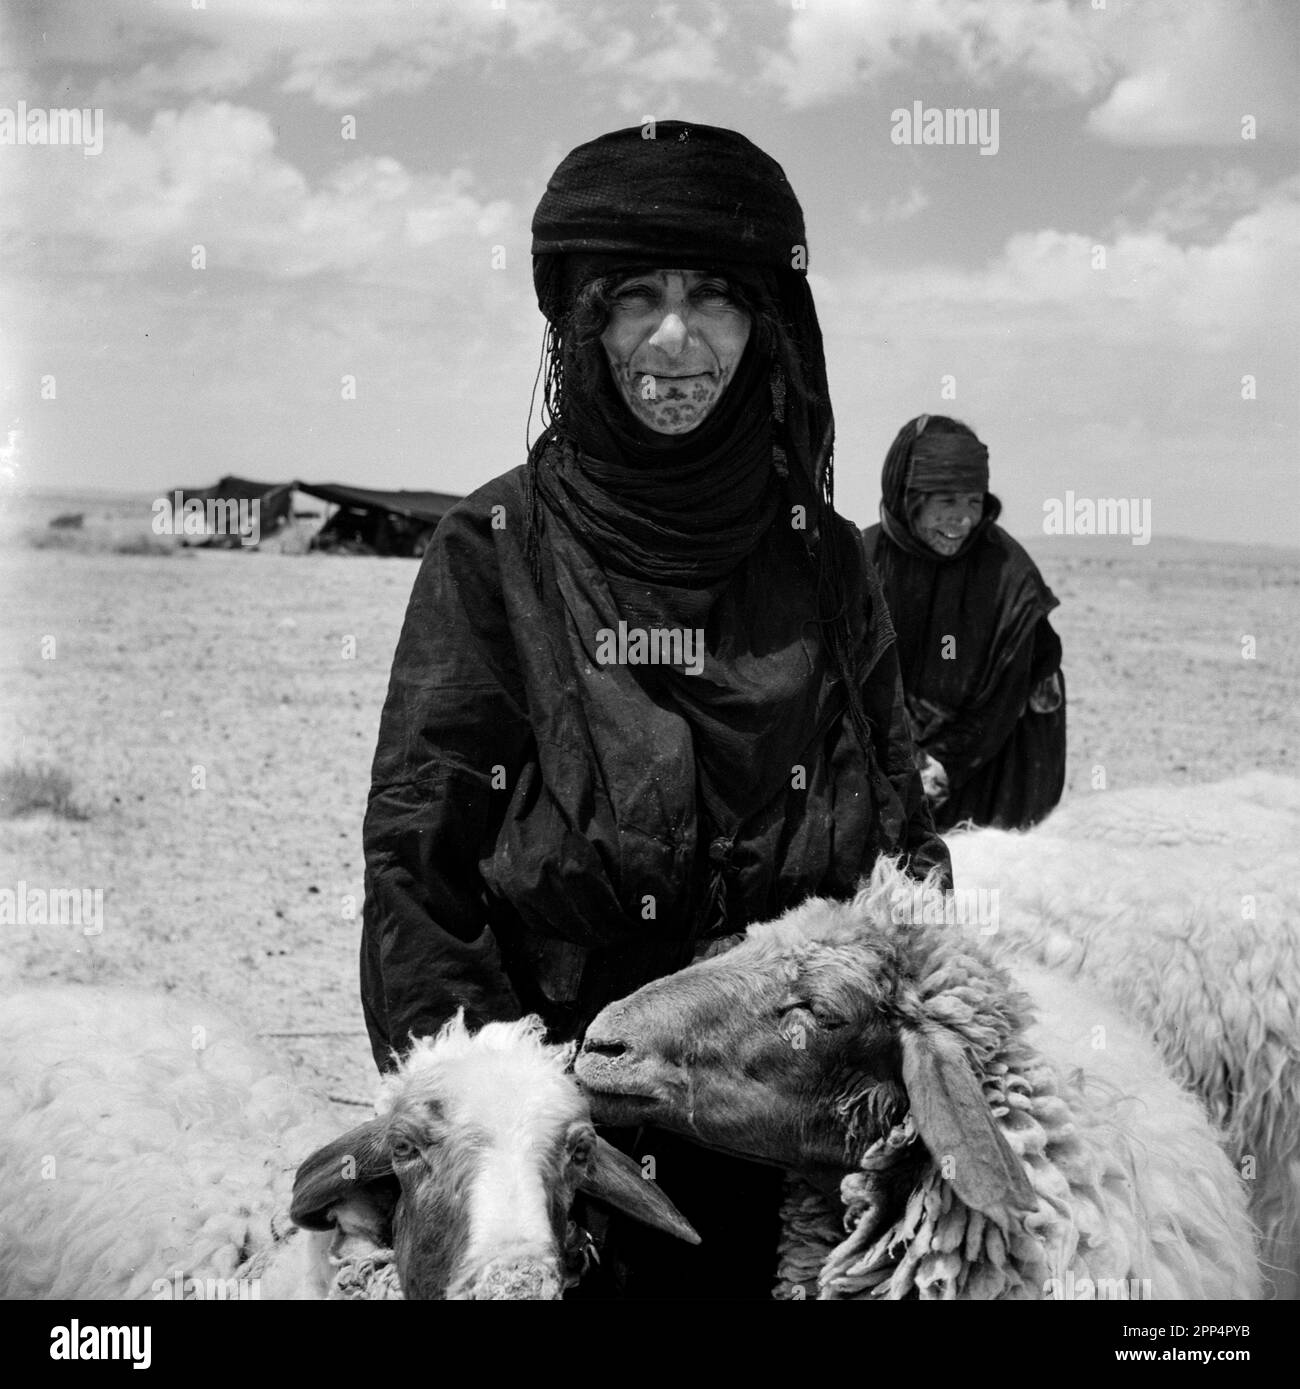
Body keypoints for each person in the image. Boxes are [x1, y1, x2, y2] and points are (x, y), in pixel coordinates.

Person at [359, 121, 950, 1298]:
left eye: (715, 299)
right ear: (583, 324)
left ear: (765, 330)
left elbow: (899, 859)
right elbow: (420, 873)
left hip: (791, 1148)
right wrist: (505, 1153)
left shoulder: (825, 564)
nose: (675, 340)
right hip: (570, 1159)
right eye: (636, 297)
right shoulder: (494, 557)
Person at [862, 414, 1066, 833]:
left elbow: (1004, 698)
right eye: (947, 502)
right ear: (908, 498)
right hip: (884, 752)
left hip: (987, 756)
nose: (962, 520)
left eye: (973, 502)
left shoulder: (1009, 574)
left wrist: (942, 764)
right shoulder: (863, 560)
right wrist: (905, 760)